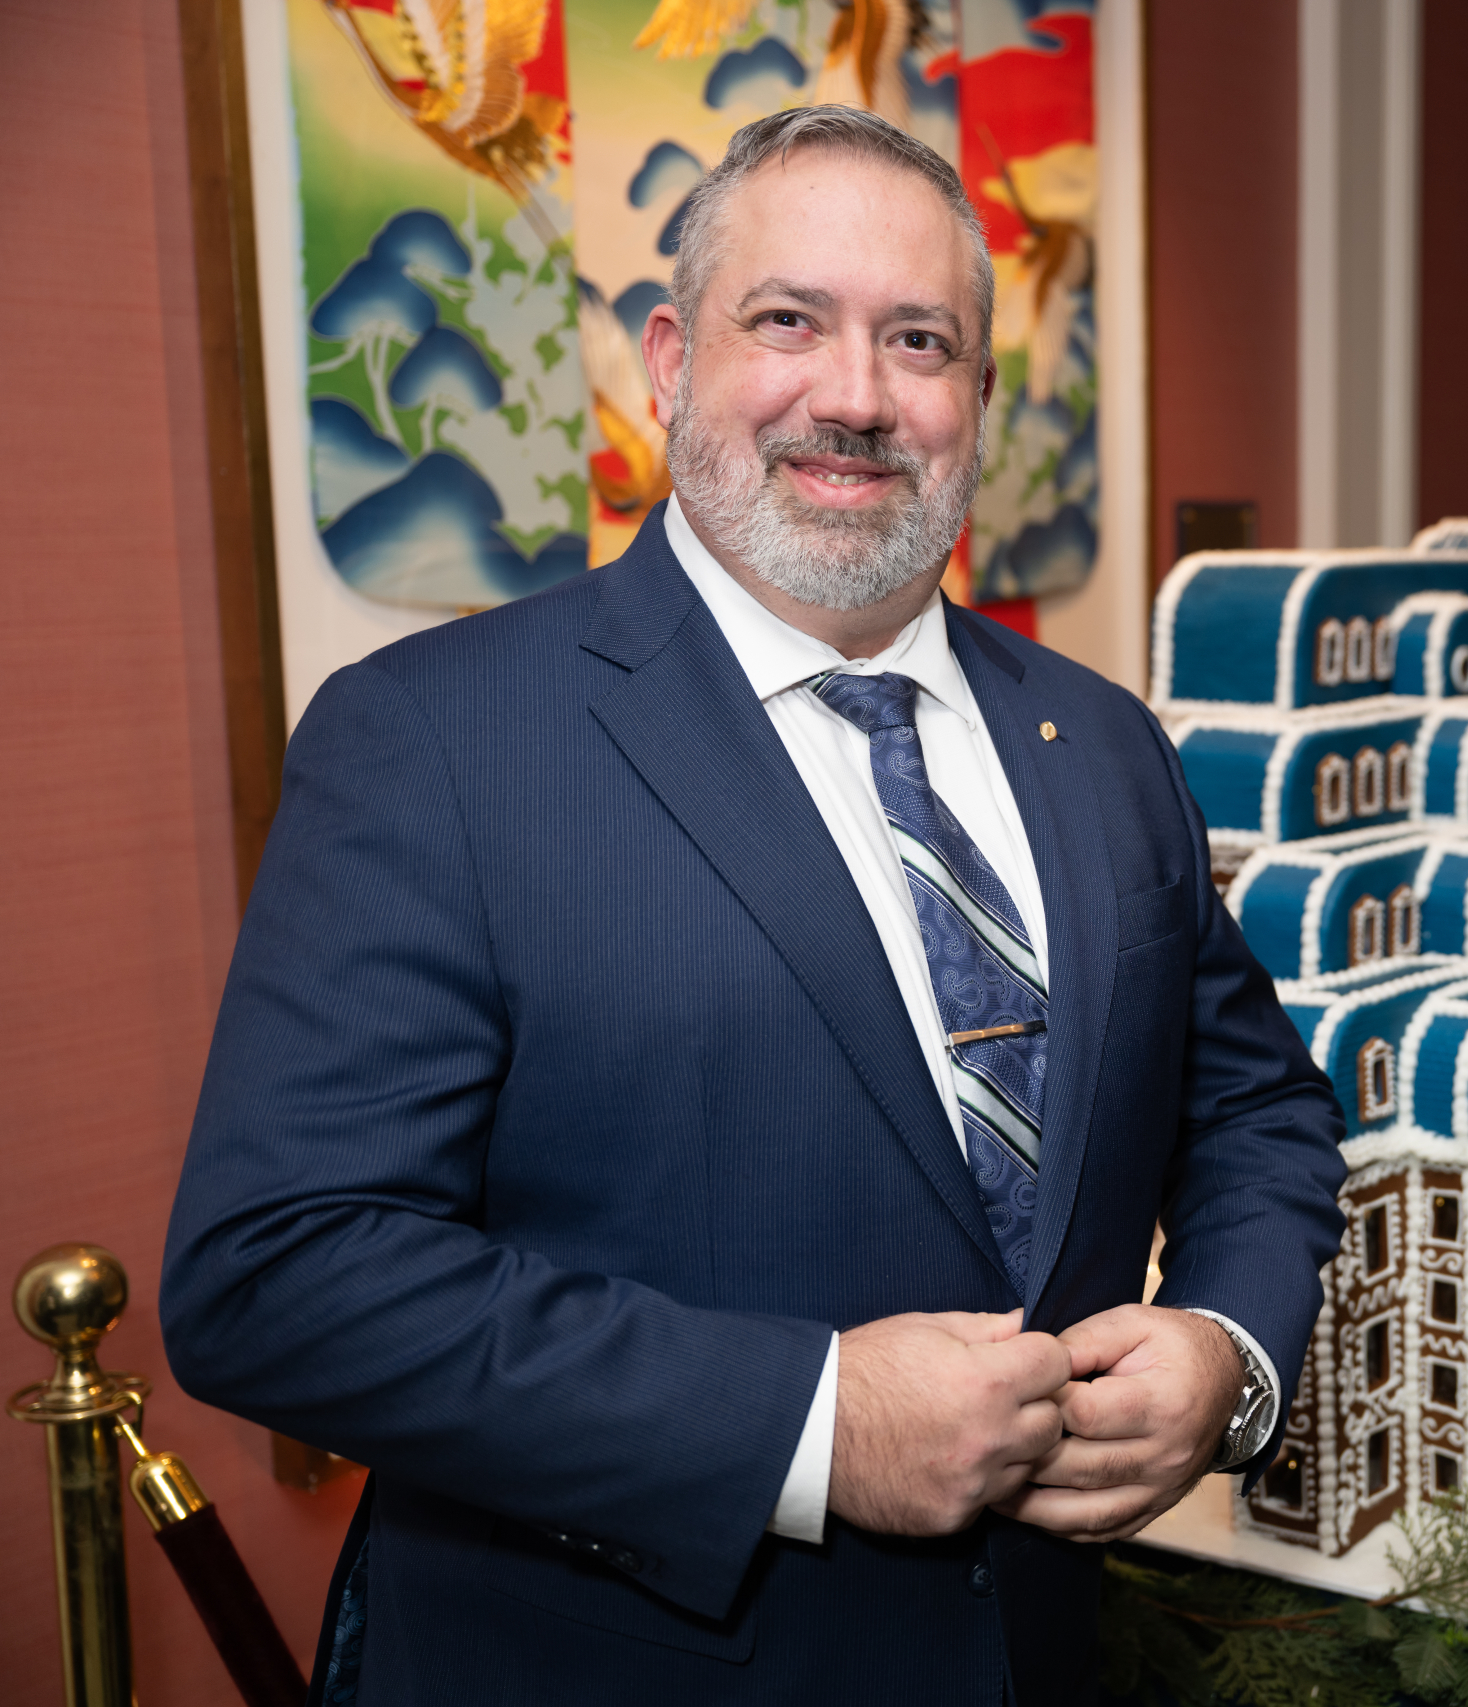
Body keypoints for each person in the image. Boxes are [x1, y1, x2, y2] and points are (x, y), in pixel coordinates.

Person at [161, 106, 1347, 1705]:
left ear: (978, 405)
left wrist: (1228, 1352)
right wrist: (807, 1422)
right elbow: (275, 1278)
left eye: (919, 341)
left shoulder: (1104, 740)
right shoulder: (434, 740)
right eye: (788, 320)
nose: (855, 397)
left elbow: (1258, 1109)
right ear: (667, 363)